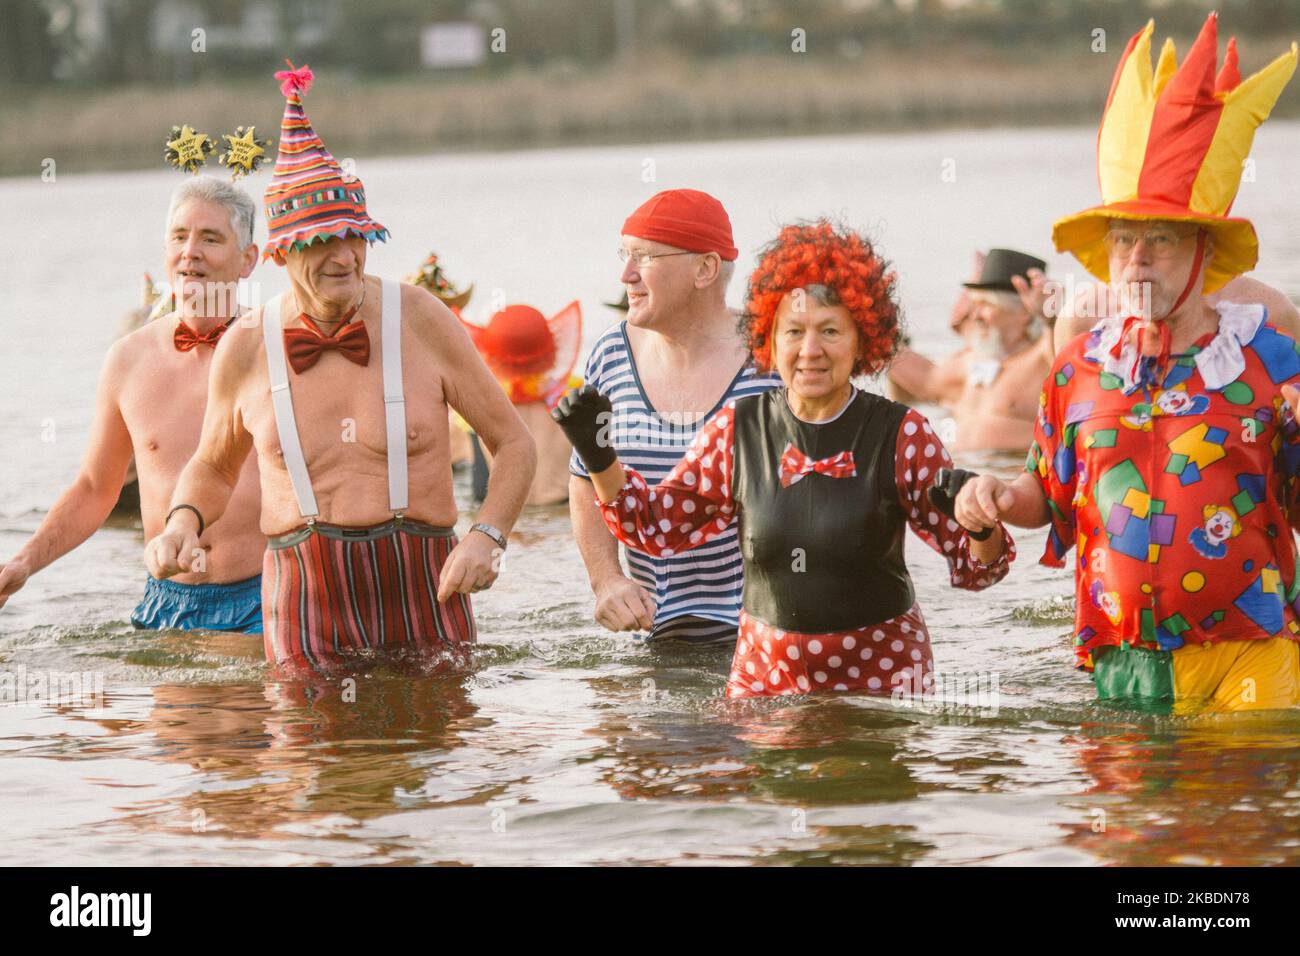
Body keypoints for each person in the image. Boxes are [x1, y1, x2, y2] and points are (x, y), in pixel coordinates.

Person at [953, 16, 1300, 713]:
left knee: (1245, 818)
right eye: (1123, 242)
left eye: (1161, 242)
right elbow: (1046, 497)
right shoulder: (1079, 364)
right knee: (1125, 822)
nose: (1137, 262)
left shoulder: (1270, 356)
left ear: (1205, 253)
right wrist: (990, 498)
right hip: (1122, 661)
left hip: (1251, 653)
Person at [144, 63, 535, 670]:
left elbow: (513, 442)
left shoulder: (422, 319)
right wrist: (181, 524)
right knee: (307, 751)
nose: (345, 256)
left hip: (424, 582)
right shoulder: (247, 345)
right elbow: (214, 467)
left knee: (440, 750)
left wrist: (489, 535)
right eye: (322, 241)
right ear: (280, 252)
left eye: (354, 236)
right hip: (304, 588)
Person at [555, 219, 1015, 698]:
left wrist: (979, 523)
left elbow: (981, 568)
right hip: (765, 686)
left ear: (864, 339)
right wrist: (599, 455)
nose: (810, 351)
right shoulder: (737, 430)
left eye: (830, 331)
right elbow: (653, 528)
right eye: (793, 331)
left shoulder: (902, 434)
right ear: (768, 340)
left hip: (883, 683)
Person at [0, 176, 266, 632]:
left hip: (265, 595)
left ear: (248, 260)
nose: (190, 252)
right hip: (165, 601)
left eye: (210, 238)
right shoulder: (128, 359)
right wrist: (23, 563)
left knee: (244, 704)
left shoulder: (274, 349)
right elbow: (94, 488)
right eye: (179, 237)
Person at [568, 188, 782, 646]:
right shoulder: (610, 353)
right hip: (653, 635)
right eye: (624, 255)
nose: (625, 275)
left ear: (704, 269)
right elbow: (586, 477)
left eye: (643, 258)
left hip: (759, 639)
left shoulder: (775, 359)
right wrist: (606, 580)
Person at [887, 248, 1054, 451]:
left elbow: (1063, 343)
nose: (976, 316)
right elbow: (923, 378)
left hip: (1013, 474)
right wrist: (873, 325)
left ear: (1025, 313)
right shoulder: (966, 362)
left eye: (986, 305)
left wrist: (1049, 316)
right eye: (973, 305)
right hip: (958, 474)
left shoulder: (1043, 358)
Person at [461, 302, 583, 506]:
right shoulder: (575, 400)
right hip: (561, 520)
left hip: (504, 522)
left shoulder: (474, 406)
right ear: (551, 348)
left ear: (488, 352)